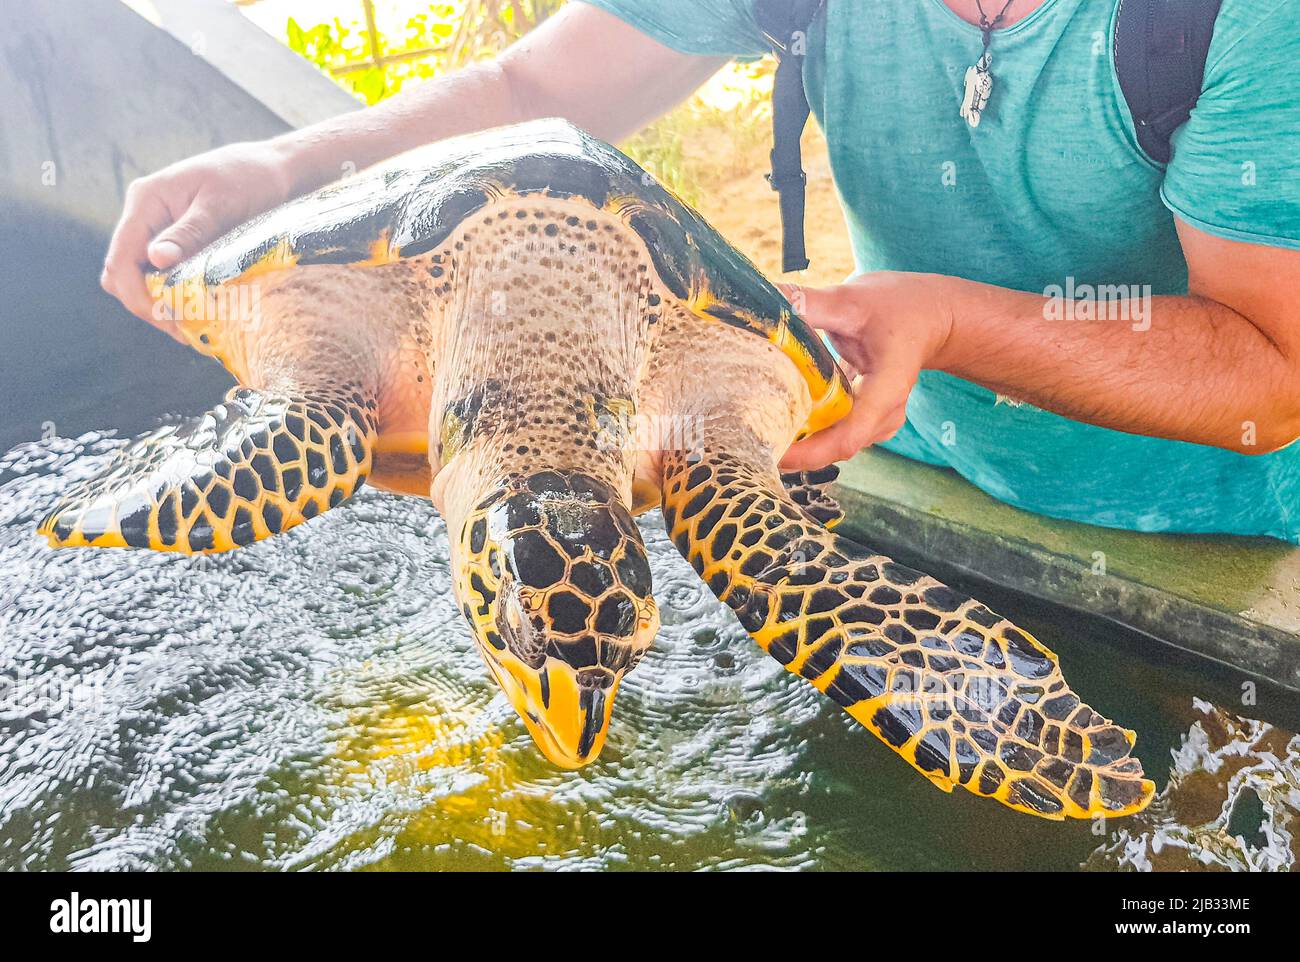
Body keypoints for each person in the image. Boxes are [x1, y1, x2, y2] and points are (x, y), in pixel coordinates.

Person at [100, 0, 1300, 543]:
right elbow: (527, 92)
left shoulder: (1235, 18)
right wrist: (286, 164)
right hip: (910, 459)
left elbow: (1270, 374)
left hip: (1204, 531)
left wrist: (945, 319)